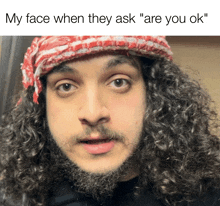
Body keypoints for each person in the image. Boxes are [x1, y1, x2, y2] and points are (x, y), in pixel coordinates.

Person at [0, 36, 220, 206]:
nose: (93, 113)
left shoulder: (207, 192)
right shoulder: (17, 196)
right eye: (66, 86)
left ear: (154, 93)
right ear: (43, 104)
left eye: (118, 82)